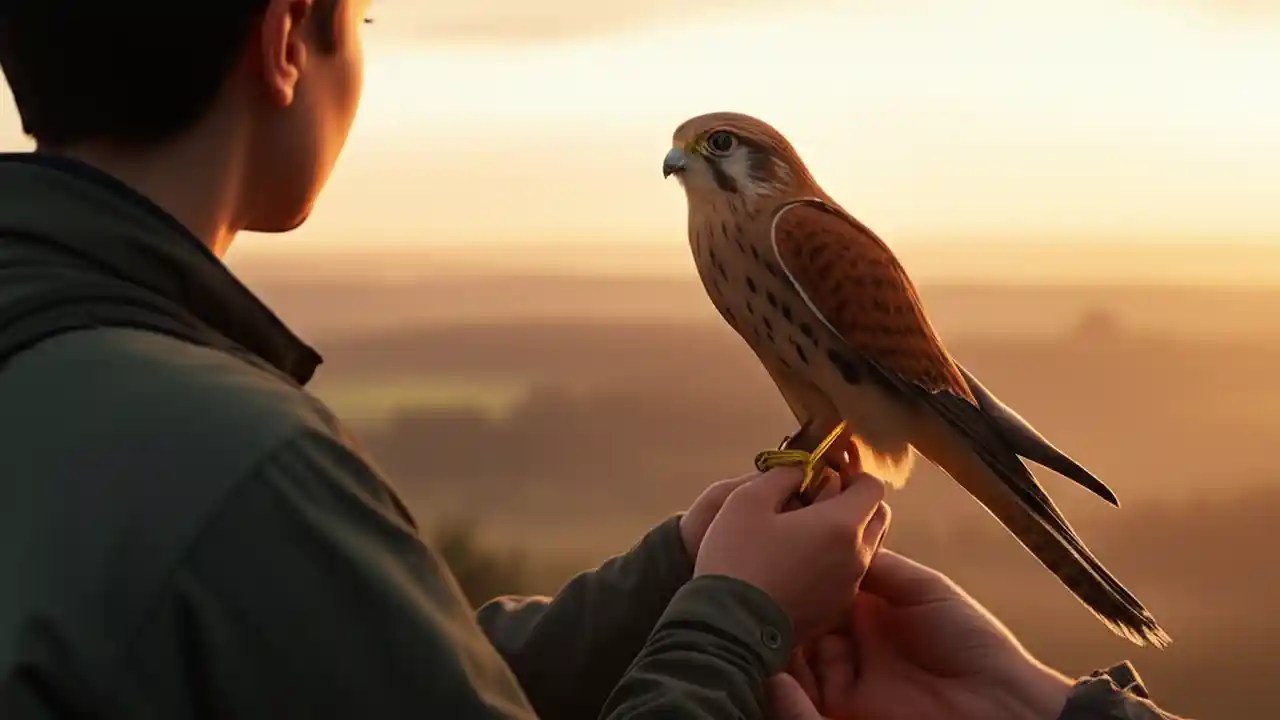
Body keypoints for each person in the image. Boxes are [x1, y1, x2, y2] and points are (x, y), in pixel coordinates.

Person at [0, 1, 1187, 718]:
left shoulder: (79, 384)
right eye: (361, 20)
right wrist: (734, 618)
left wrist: (677, 575)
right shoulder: (248, 469)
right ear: (283, 41)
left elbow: (382, 673)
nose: (678, 167)